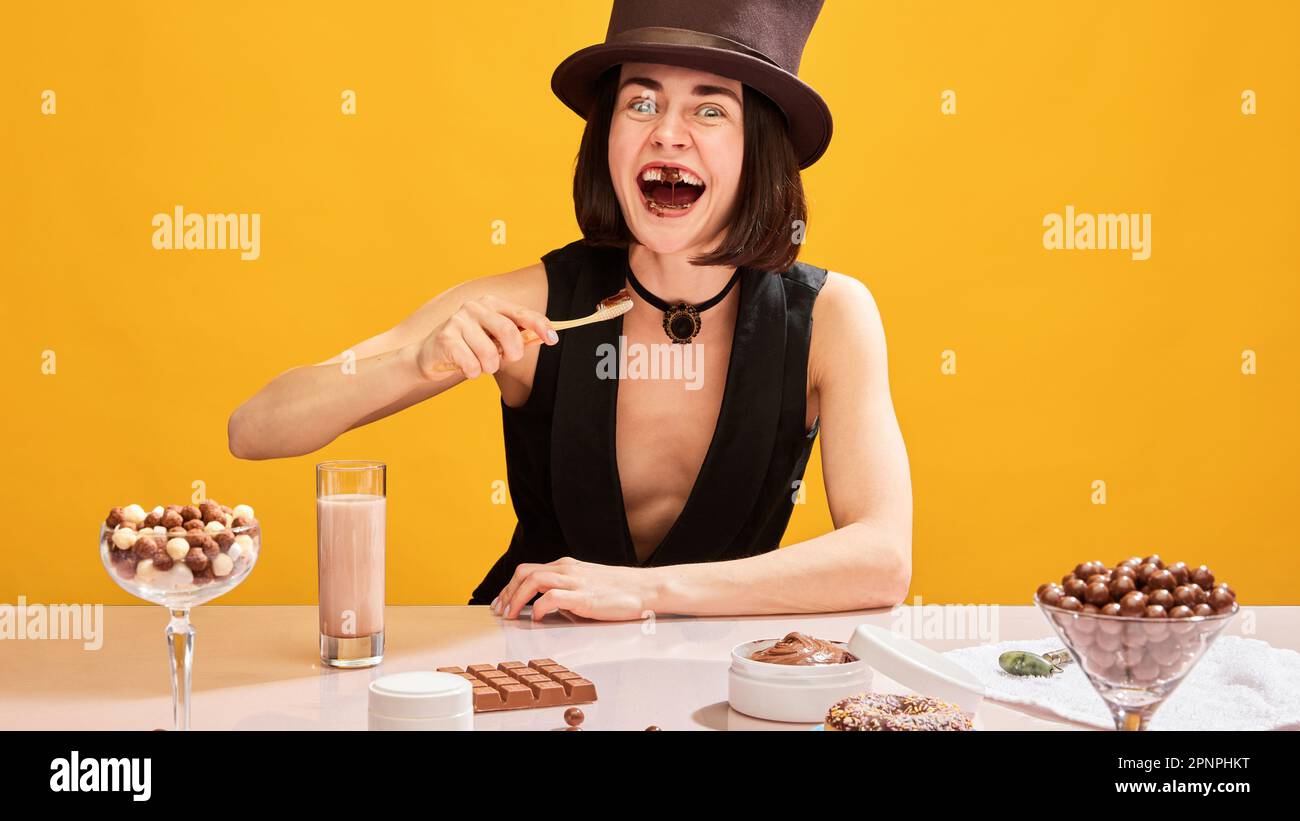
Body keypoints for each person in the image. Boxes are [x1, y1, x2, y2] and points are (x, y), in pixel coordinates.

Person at [228, 0, 912, 621]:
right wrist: (415, 360)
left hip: (726, 681)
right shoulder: (532, 304)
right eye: (640, 104)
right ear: (608, 133)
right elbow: (254, 428)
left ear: (757, 147)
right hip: (524, 663)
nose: (668, 135)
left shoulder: (831, 318)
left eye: (710, 110)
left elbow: (883, 558)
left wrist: (648, 594)